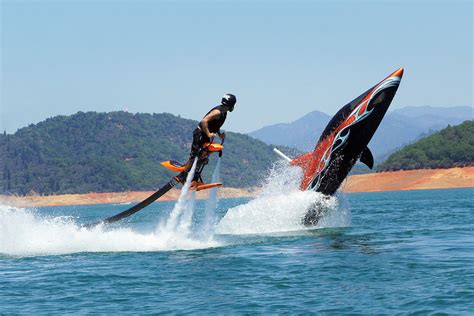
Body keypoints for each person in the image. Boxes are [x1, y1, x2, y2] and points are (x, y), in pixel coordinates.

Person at [178, 93, 237, 185]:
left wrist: (219, 134)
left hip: (206, 135)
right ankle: (182, 176)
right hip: (200, 134)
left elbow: (215, 124)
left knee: (204, 156)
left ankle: (195, 178)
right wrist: (209, 134)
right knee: (194, 156)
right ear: (231, 105)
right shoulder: (217, 112)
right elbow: (204, 121)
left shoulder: (223, 112)